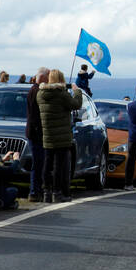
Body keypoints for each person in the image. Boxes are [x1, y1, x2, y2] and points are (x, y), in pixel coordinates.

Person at [38, 69, 82, 202]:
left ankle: (46, 191)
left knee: (47, 163)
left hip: (47, 134)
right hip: (62, 136)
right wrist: (77, 91)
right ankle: (57, 192)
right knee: (59, 166)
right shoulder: (61, 95)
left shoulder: (40, 94)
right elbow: (76, 104)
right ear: (61, 80)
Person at [25, 66, 50, 202]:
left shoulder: (33, 89)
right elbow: (36, 115)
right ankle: (35, 191)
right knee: (38, 163)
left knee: (40, 163)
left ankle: (36, 190)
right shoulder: (36, 91)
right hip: (36, 134)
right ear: (43, 77)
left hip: (35, 132)